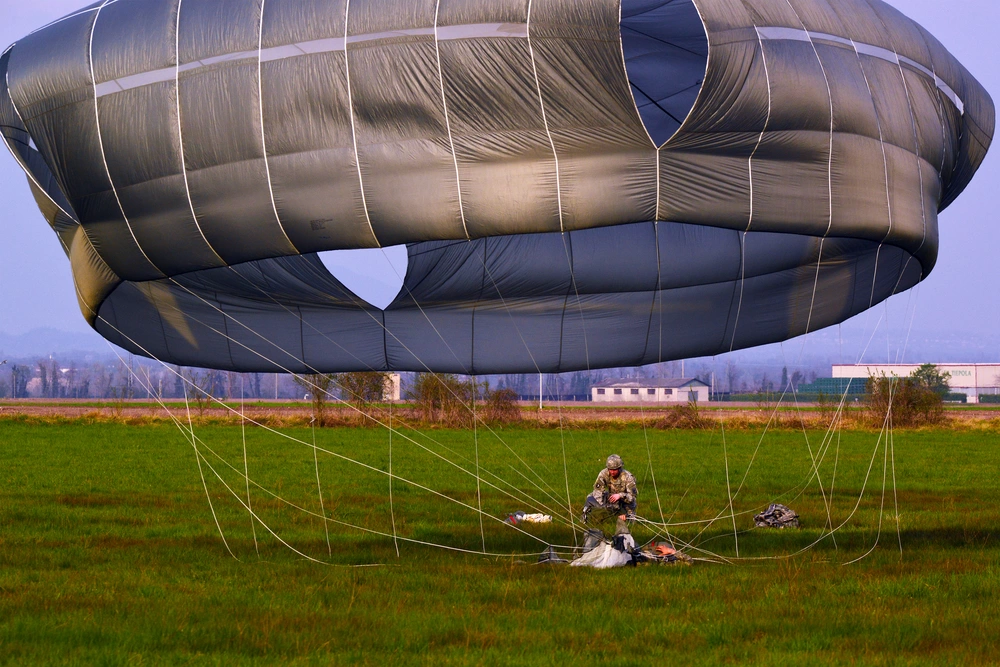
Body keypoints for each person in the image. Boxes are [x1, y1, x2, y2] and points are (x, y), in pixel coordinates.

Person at [582, 454, 637, 532]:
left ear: (620, 468)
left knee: (629, 523)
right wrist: (603, 506)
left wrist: (620, 495)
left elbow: (632, 497)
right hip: (612, 499)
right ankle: (585, 518)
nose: (612, 472)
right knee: (590, 497)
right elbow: (598, 491)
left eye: (614, 470)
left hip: (625, 503)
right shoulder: (604, 473)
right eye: (610, 469)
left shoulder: (628, 477)